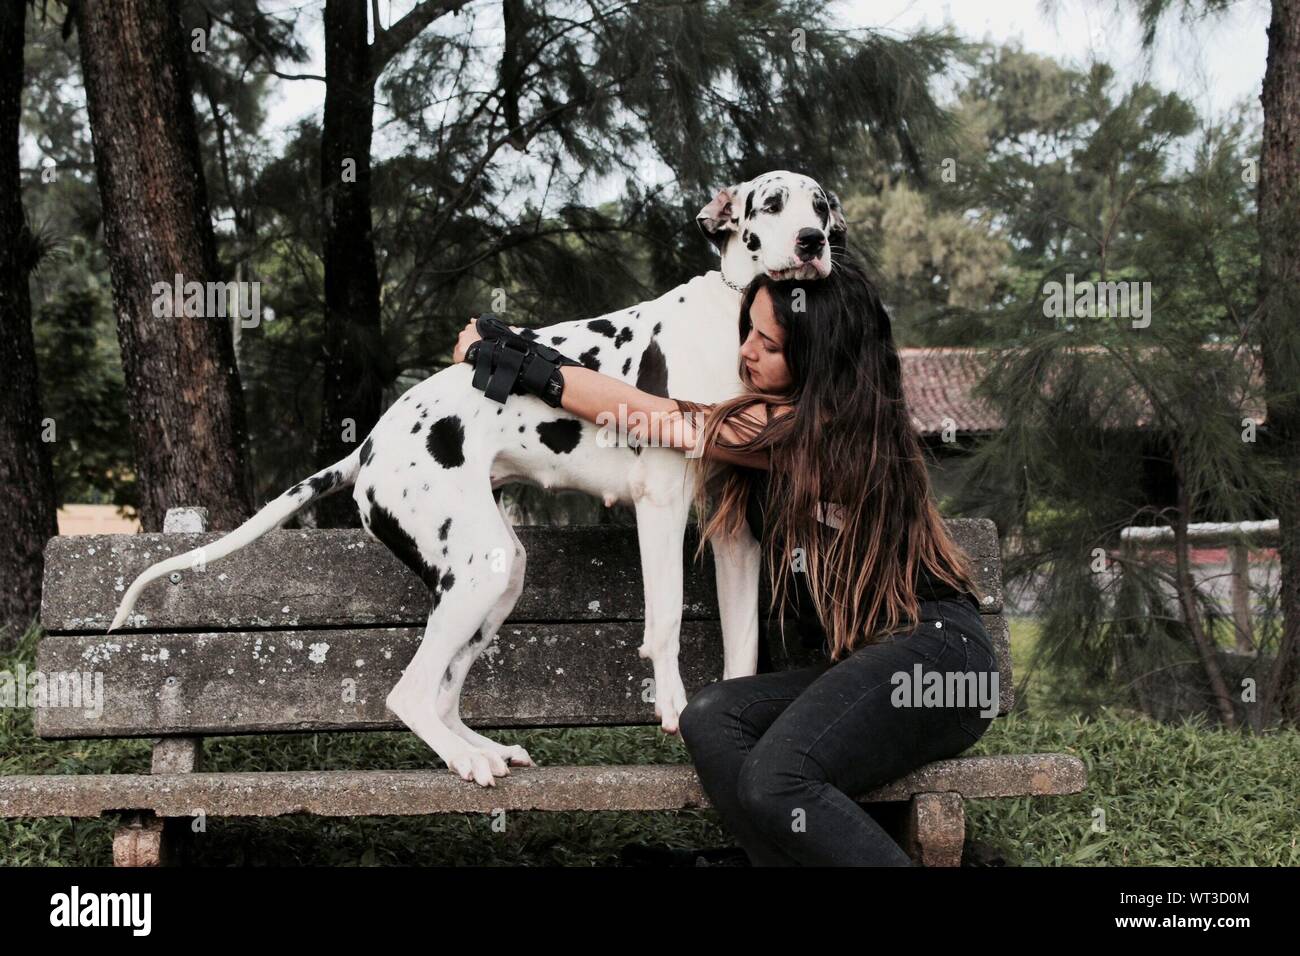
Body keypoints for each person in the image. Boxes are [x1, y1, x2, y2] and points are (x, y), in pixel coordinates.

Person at [452, 250, 1001, 866]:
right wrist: (515, 352)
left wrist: (508, 359)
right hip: (873, 666)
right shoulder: (775, 424)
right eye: (748, 332)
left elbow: (654, 418)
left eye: (770, 345)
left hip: (936, 659)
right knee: (713, 718)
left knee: (778, 779)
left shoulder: (827, 429)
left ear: (819, 356)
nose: (747, 352)